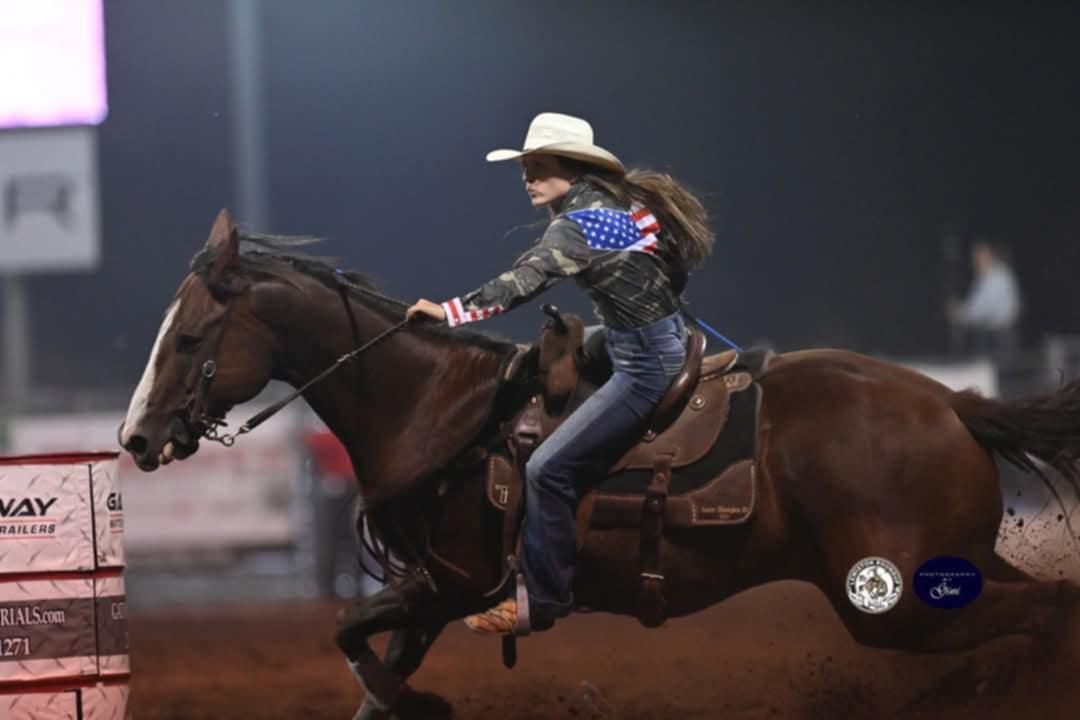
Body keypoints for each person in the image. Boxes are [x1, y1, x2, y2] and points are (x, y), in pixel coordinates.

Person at [406, 112, 714, 634]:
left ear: (570, 170)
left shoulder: (577, 227)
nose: (527, 179)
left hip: (644, 364)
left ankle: (543, 600)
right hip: (644, 338)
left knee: (547, 470)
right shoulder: (625, 206)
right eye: (525, 169)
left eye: (538, 167)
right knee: (541, 362)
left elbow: (523, 281)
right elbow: (673, 266)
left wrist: (448, 312)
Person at [946, 238, 1021, 357]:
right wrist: (962, 310)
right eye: (974, 256)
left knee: (996, 372)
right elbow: (975, 304)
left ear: (990, 255)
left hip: (1000, 337)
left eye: (979, 255)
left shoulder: (998, 275)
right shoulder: (984, 277)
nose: (975, 260)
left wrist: (961, 313)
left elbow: (984, 309)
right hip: (989, 335)